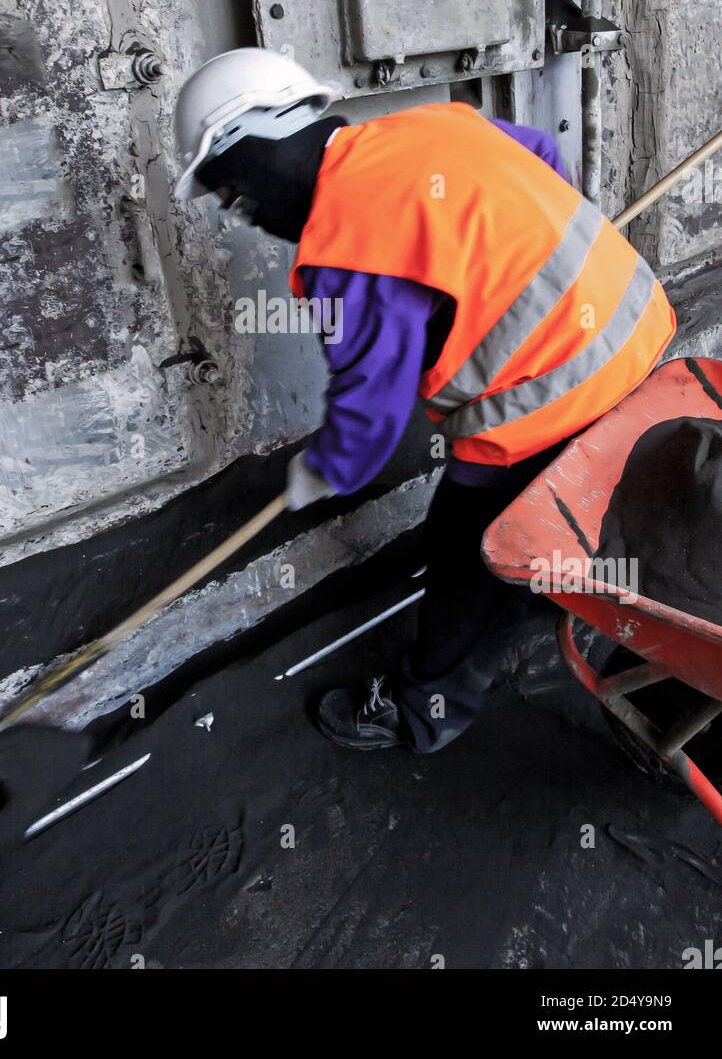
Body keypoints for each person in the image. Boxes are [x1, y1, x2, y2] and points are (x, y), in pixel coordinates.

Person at [173, 48, 676, 753]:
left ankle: (424, 709)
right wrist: (523, 267)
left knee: (470, 551)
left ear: (260, 148)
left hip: (548, 398)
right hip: (639, 330)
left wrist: (324, 473)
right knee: (587, 495)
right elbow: (540, 153)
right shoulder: (430, 128)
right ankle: (563, 583)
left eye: (233, 193)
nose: (242, 214)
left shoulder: (349, 246)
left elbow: (370, 415)